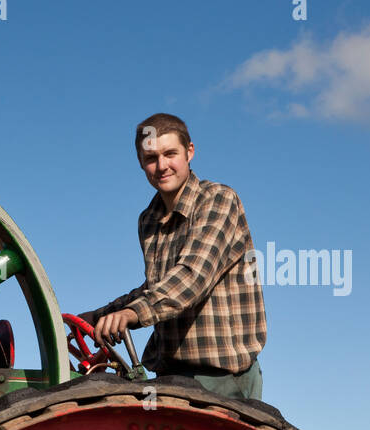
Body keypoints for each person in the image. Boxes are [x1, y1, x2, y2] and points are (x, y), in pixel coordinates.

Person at [81, 113, 266, 399]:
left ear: (189, 152)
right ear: (141, 162)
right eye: (151, 157)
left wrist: (132, 314)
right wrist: (98, 316)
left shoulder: (218, 200)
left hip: (221, 379)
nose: (162, 166)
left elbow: (192, 277)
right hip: (170, 376)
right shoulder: (149, 219)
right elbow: (157, 287)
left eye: (170, 154)